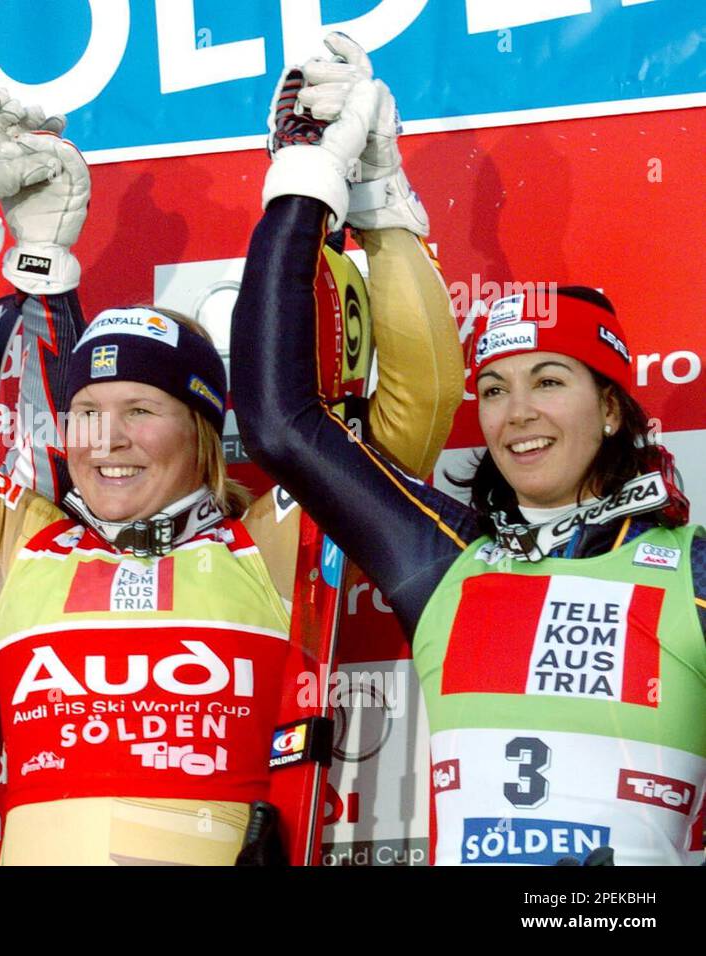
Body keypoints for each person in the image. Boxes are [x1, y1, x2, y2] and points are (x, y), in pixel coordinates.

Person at [0, 86, 463, 864]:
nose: (106, 439)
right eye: (88, 411)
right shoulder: (11, 546)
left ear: (203, 430)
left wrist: (377, 202)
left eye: (141, 409)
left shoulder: (270, 547)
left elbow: (420, 404)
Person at [231, 42, 706, 865]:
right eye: (493, 389)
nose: (518, 414)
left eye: (550, 381)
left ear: (611, 405)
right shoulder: (445, 557)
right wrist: (310, 178)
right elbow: (278, 422)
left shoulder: (689, 571)